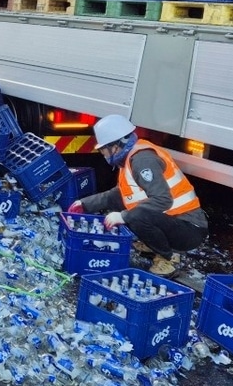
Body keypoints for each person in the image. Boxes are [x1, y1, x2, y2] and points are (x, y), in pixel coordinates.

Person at [68, 115, 208, 277]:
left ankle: (168, 258)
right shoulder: (130, 157)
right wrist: (85, 204)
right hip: (174, 221)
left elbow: (162, 200)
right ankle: (155, 243)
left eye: (103, 150)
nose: (103, 154)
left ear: (116, 146)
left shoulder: (142, 160)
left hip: (189, 228)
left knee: (134, 216)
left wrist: (123, 216)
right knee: (131, 211)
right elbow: (119, 195)